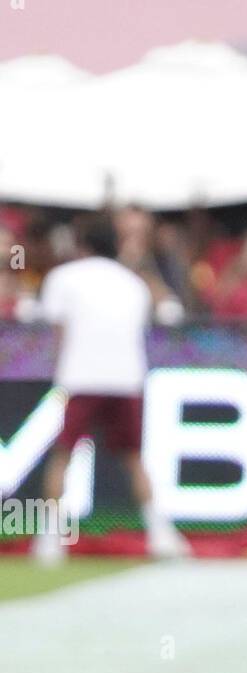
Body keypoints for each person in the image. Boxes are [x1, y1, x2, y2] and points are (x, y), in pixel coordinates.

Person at [32, 213, 189, 564]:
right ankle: (160, 535)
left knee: (64, 455)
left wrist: (60, 373)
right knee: (134, 458)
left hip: (81, 379)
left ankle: (49, 540)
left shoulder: (63, 278)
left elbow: (58, 332)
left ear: (80, 244)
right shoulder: (133, 282)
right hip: (126, 380)